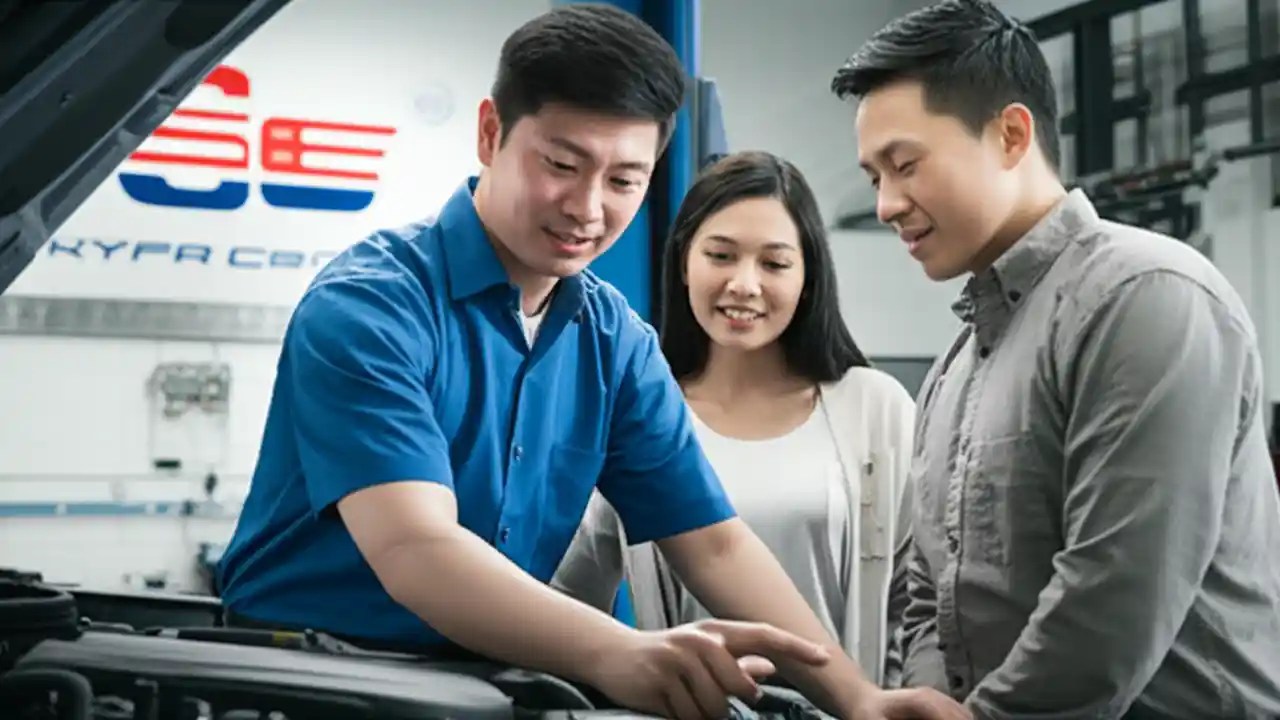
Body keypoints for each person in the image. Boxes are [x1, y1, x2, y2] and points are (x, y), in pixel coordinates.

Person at [216, 5, 969, 720]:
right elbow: (416, 547)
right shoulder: (372, 307)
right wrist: (617, 652)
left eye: (623, 180)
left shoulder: (613, 340)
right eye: (561, 164)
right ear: (490, 133)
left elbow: (712, 542)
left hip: (478, 684)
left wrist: (857, 699)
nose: (587, 207)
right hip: (306, 681)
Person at [828, 0, 1280, 717]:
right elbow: (926, 591)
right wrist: (921, 702)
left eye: (905, 165)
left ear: (1011, 134)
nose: (885, 203)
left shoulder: (1148, 297)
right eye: (875, 175)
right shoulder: (956, 363)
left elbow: (1116, 588)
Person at [553, 151, 918, 692]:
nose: (744, 284)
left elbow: (917, 600)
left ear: (809, 276)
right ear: (683, 262)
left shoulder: (875, 406)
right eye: (721, 255)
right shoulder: (637, 414)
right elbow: (566, 602)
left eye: (774, 263)